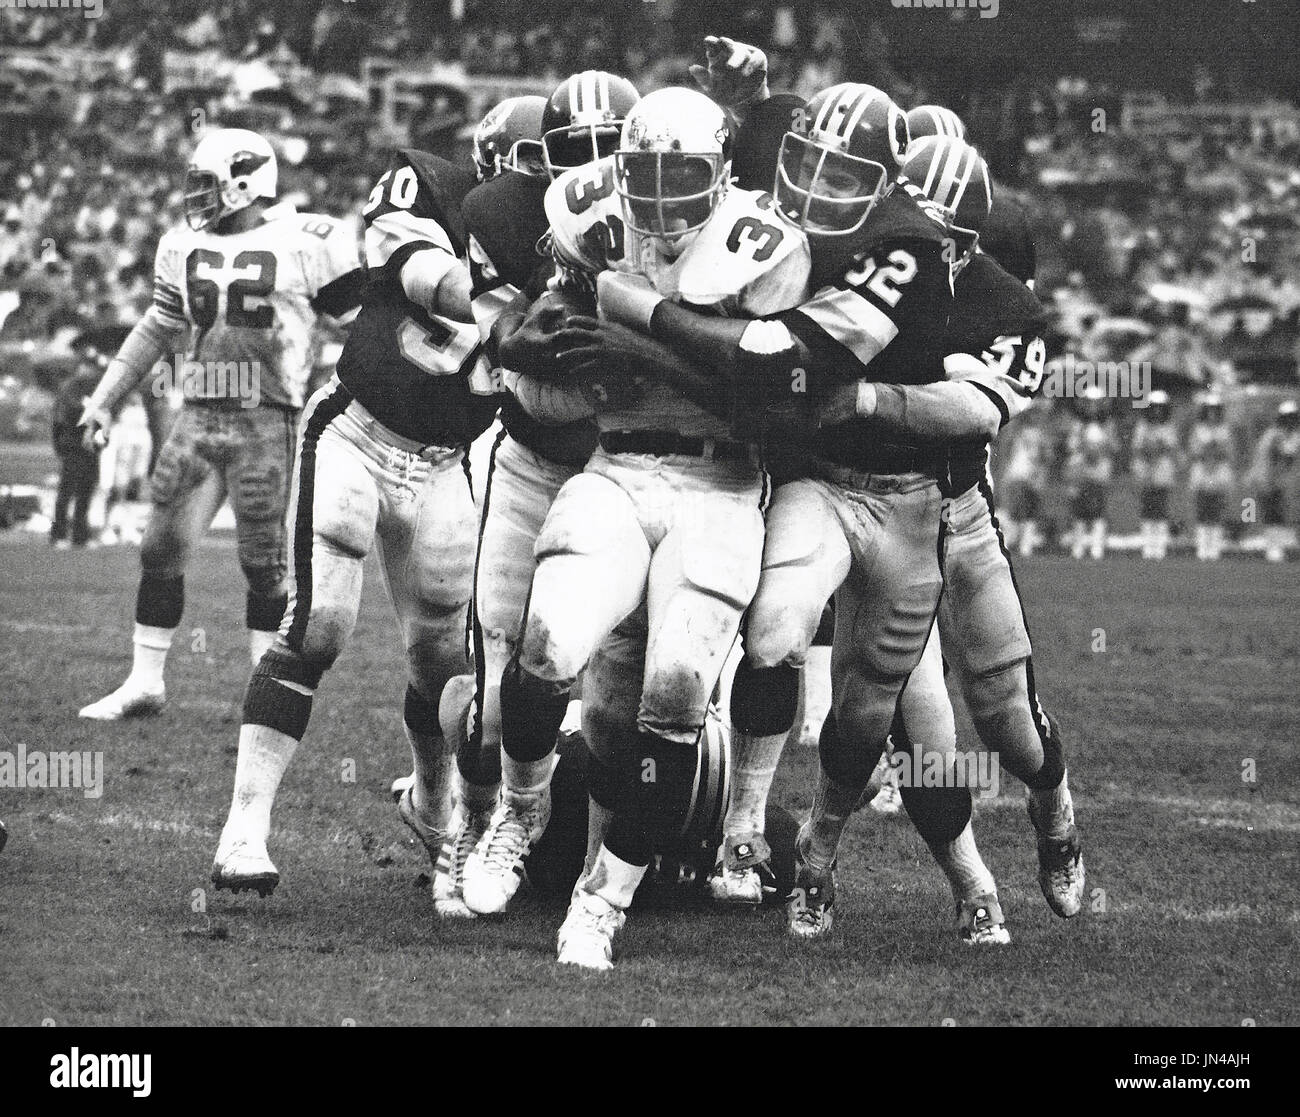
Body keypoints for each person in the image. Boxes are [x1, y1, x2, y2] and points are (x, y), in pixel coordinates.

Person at [78, 128, 363, 720]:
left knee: (263, 565)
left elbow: (358, 324)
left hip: (269, 418)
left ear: (245, 180)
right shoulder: (180, 245)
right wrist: (105, 399)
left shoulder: (310, 238)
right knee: (159, 548)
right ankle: (146, 681)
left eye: (208, 183)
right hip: (200, 411)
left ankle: (264, 692)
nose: (198, 196)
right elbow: (158, 327)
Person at [51, 356, 103, 549]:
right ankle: (59, 534)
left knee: (86, 492)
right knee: (67, 491)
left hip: (89, 448)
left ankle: (80, 535)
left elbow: (103, 421)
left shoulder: (97, 389)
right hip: (73, 445)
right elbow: (63, 418)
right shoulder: (69, 389)